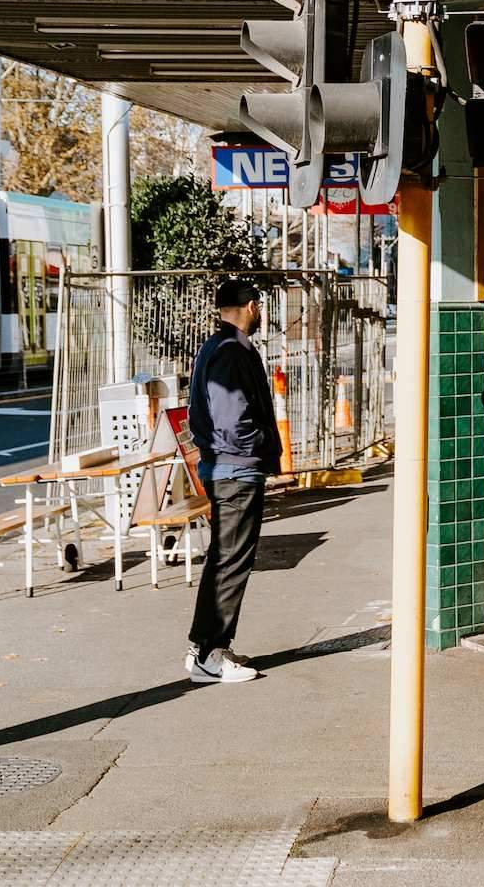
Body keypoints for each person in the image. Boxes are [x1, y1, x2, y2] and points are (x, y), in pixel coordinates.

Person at [183, 279, 281, 683]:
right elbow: (231, 419)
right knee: (231, 563)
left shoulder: (216, 346)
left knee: (222, 560)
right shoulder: (232, 352)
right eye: (260, 309)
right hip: (236, 469)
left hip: (226, 467)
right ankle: (210, 655)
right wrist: (256, 446)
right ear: (252, 307)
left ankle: (202, 647)